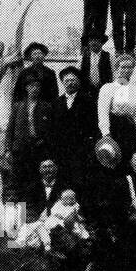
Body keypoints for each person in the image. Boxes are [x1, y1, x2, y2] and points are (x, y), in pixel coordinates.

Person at [50, 65, 98, 196]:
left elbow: (93, 126)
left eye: (73, 80)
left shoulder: (88, 101)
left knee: (80, 181)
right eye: (67, 81)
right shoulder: (56, 103)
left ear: (78, 81)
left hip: (81, 149)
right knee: (63, 180)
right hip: (62, 149)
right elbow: (52, 127)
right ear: (63, 83)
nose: (70, 83)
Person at [8, 74, 53, 206]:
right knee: (18, 172)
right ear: (27, 88)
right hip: (21, 145)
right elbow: (10, 128)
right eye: (32, 86)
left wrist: (43, 141)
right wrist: (7, 148)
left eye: (37, 86)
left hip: (38, 145)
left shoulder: (46, 106)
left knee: (35, 173)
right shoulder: (18, 106)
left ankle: (32, 201)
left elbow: (50, 129)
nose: (34, 89)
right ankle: (16, 200)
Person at [97, 52, 136, 167]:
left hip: (130, 129)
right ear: (116, 68)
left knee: (129, 161)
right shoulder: (108, 88)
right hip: (114, 128)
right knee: (113, 161)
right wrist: (106, 133)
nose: (127, 70)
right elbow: (102, 112)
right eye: (123, 67)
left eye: (130, 67)